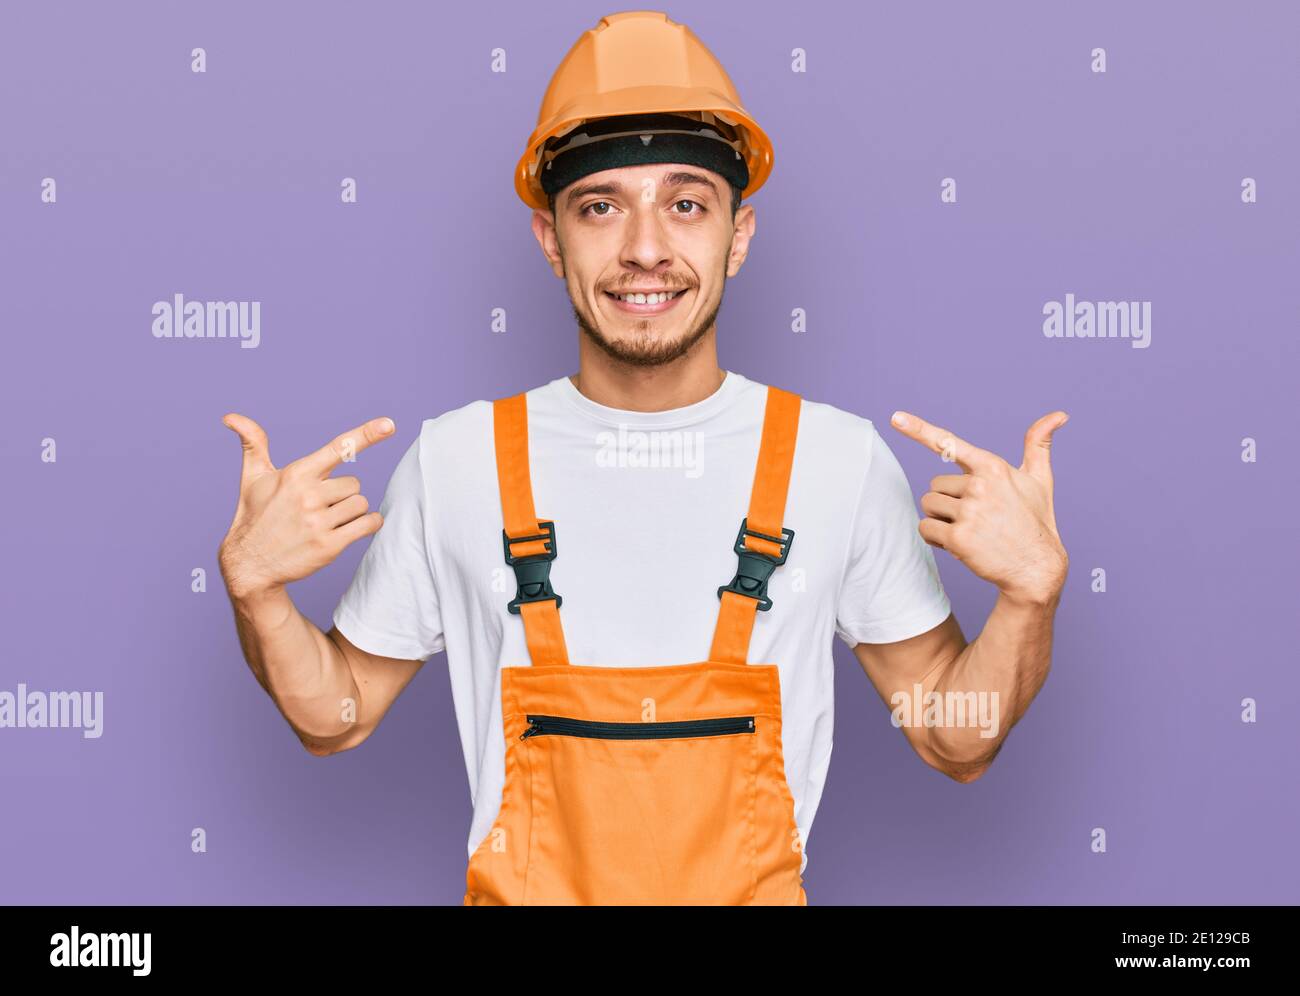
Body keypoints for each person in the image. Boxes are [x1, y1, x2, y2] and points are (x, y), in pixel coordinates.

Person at [217, 11, 1068, 905]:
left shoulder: (834, 462)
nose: (647, 248)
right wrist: (257, 591)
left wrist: (1030, 595)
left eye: (687, 202)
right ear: (551, 240)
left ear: (739, 236)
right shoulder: (458, 461)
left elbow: (954, 740)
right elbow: (334, 719)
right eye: (600, 206)